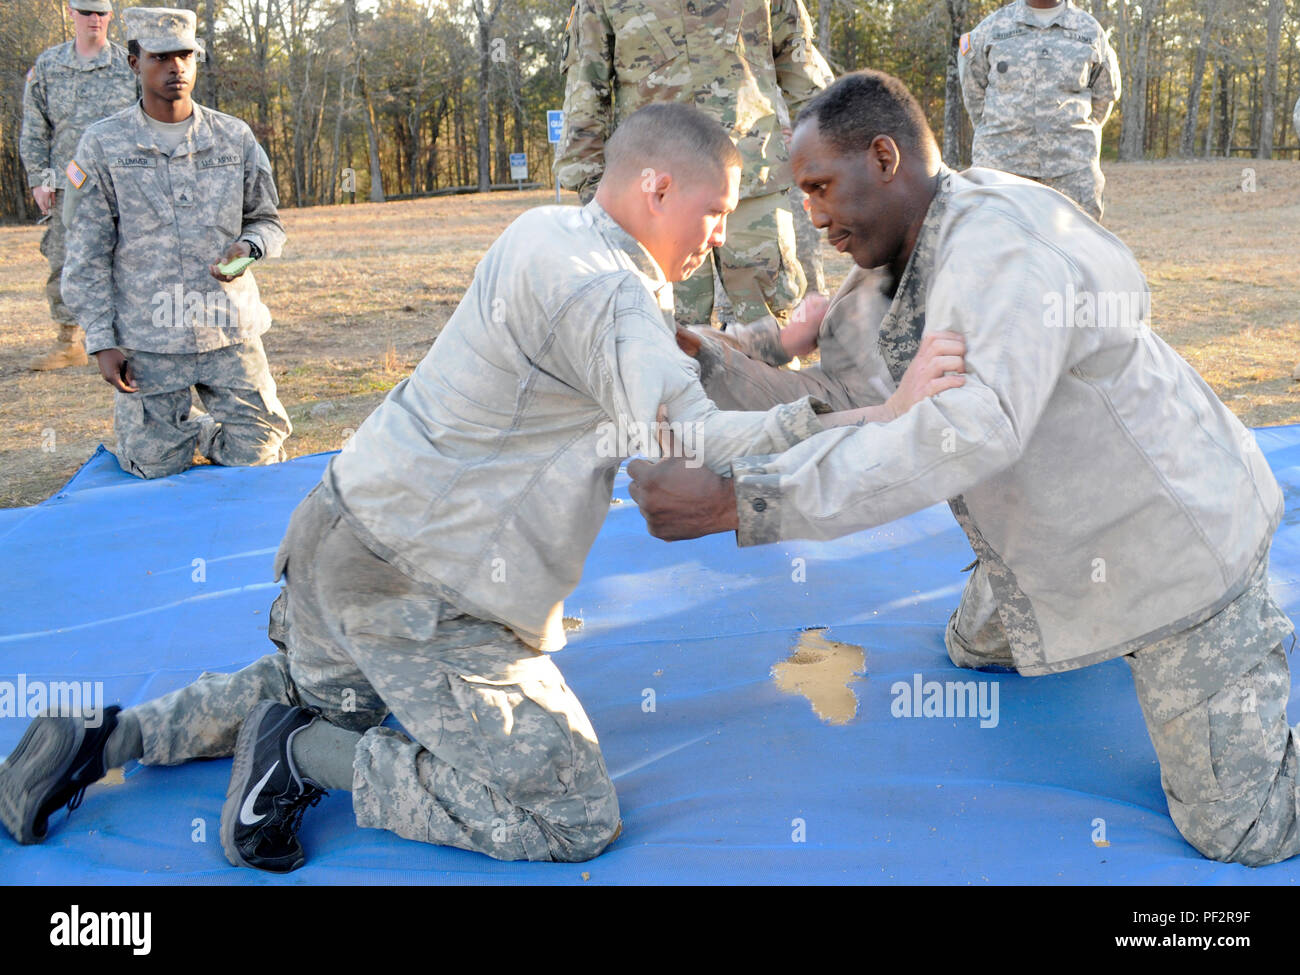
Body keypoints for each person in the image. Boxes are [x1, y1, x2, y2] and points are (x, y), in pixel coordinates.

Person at [0, 103, 963, 872]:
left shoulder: (555, 235)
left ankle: (104, 737)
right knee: (568, 812)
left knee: (318, 686)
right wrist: (876, 413)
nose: (717, 238)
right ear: (656, 185)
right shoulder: (610, 293)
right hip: (425, 597)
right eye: (713, 215)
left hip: (338, 542)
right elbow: (695, 433)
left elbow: (662, 355)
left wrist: (774, 342)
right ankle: (303, 758)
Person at [628, 70, 1300, 867]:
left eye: (820, 188)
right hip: (1041, 552)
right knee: (974, 648)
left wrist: (740, 503)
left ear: (884, 157)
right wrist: (708, 362)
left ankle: (1223, 657)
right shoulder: (890, 263)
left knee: (1244, 832)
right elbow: (843, 395)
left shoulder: (1001, 246)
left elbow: (963, 433)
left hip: (1176, 564)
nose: (814, 219)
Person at [60, 7, 291, 480]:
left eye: (185, 55)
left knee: (261, 454)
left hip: (228, 329)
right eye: (161, 57)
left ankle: (199, 431)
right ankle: (172, 435)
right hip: (149, 341)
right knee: (154, 468)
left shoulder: (234, 138)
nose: (176, 68)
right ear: (133, 63)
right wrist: (102, 340)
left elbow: (267, 222)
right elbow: (85, 254)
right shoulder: (104, 146)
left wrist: (249, 249)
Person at [556, 0, 834, 367]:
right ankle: (687, 423)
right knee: (667, 334)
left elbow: (802, 68)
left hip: (753, 182)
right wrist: (595, 194)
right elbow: (586, 92)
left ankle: (774, 420)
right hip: (658, 196)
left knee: (773, 327)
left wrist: (838, 156)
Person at [19, 0, 137, 371]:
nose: (94, 19)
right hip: (70, 183)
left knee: (130, 259)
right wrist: (40, 179)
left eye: (101, 12)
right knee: (64, 261)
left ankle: (128, 337)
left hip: (124, 183)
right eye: (86, 12)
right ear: (71, 12)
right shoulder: (50, 66)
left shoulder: (129, 65)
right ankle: (68, 341)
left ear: (111, 15)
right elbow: (35, 128)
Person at [958, 0, 1120, 222]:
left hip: (1071, 174)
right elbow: (973, 92)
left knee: (1074, 252)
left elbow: (1105, 96)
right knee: (998, 250)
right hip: (1002, 171)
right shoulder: (992, 28)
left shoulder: (1090, 30)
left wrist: (1069, 138)